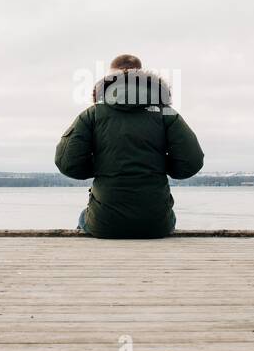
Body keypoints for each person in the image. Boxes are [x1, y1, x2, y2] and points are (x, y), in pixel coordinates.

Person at [55, 55, 204, 238]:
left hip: (104, 223)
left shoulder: (92, 115)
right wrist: (158, 165)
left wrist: (103, 165)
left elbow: (67, 163)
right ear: (141, 75)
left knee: (82, 218)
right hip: (156, 224)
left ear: (109, 79)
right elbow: (191, 163)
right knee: (166, 218)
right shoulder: (166, 114)